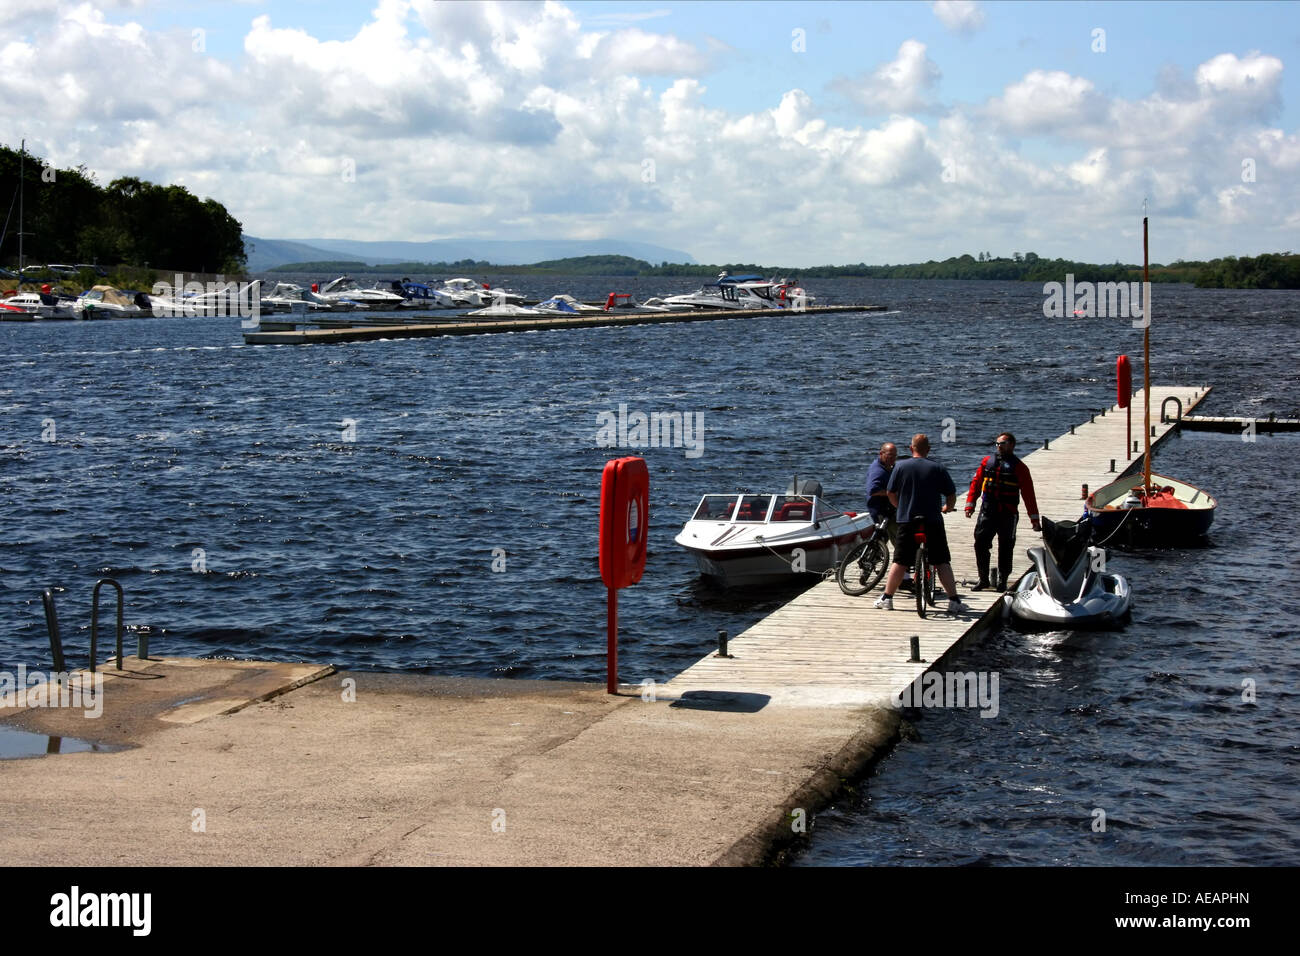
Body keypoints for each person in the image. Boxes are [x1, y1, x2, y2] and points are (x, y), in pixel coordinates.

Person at [875, 434, 967, 615]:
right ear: (929, 449)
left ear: (911, 449)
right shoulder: (937, 468)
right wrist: (948, 507)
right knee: (941, 561)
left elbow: (890, 492)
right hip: (932, 520)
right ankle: (954, 600)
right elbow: (951, 494)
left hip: (907, 520)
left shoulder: (900, 466)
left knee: (900, 561)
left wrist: (899, 506)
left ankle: (887, 598)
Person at [964, 431, 1041, 591]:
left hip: (1008, 513)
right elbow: (976, 484)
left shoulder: (1020, 468)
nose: (999, 446)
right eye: (997, 444)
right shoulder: (987, 462)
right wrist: (970, 504)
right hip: (987, 511)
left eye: (1002, 443)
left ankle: (1002, 581)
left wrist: (1034, 519)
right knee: (980, 544)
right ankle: (983, 579)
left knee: (1006, 546)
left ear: (1012, 445)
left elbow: (1028, 494)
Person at [866, 442, 898, 542]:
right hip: (879, 511)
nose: (893, 458)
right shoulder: (877, 471)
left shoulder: (888, 466)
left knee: (889, 537)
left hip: (888, 509)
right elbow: (872, 490)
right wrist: (892, 493)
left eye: (895, 455)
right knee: (883, 538)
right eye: (890, 455)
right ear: (881, 454)